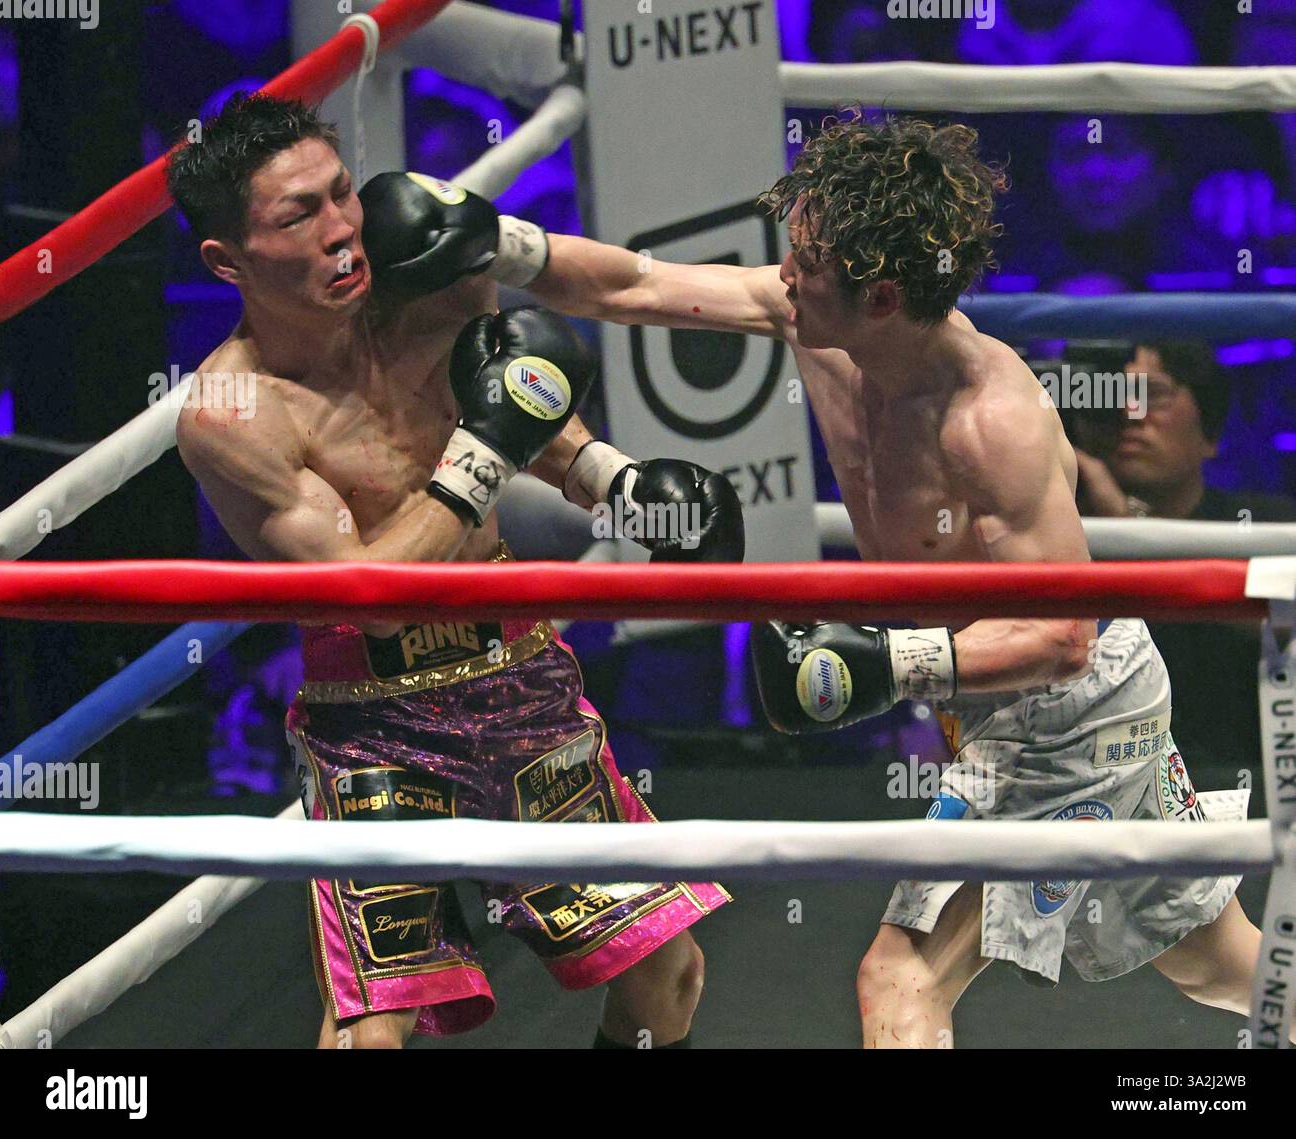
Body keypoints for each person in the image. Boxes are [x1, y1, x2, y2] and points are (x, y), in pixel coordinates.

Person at [382, 110, 1275, 1046]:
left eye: (806, 263)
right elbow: (638, 283)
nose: (782, 275)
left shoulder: (988, 421)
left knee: (901, 979)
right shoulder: (815, 318)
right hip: (1028, 696)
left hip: (1065, 714)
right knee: (1216, 960)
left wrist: (884, 664)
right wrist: (505, 242)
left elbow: (1063, 637)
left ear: (882, 296)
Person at [167, 94, 743, 1049]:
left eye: (341, 193)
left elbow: (515, 400)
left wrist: (615, 481)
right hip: (373, 720)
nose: (341, 232)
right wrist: (486, 451)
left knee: (667, 972)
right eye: (295, 216)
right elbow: (373, 598)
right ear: (229, 262)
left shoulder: (429, 283)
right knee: (374, 1027)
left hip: (522, 679)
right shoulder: (234, 415)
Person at [1074, 341, 1296, 809]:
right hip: (1085, 800)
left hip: (1244, 793)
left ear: (1210, 432)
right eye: (1116, 392)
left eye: (1152, 393)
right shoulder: (1053, 533)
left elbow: (1282, 630)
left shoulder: (1266, 527)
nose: (1131, 412)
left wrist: (1125, 524)